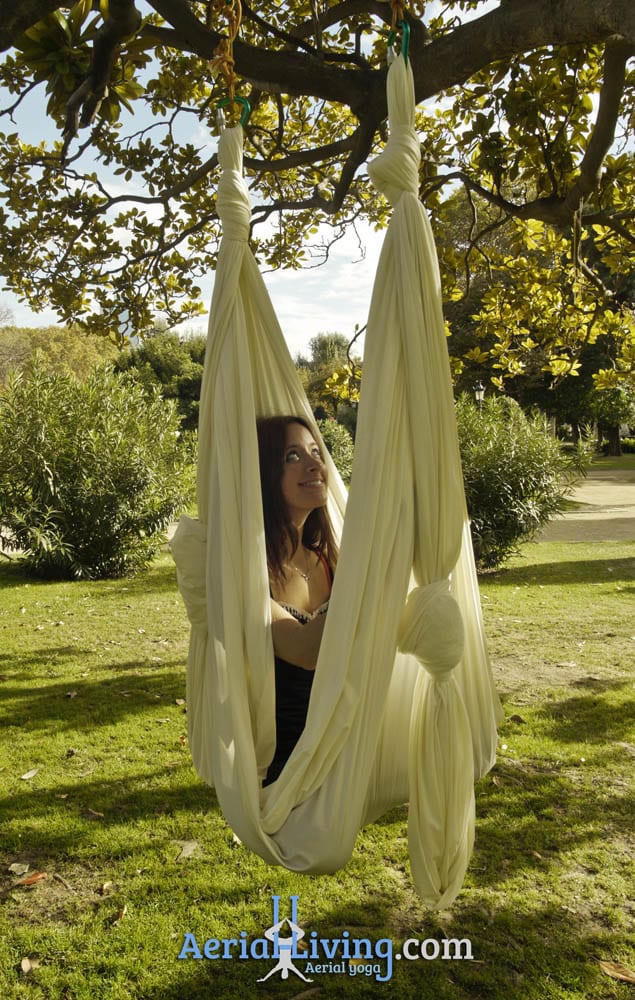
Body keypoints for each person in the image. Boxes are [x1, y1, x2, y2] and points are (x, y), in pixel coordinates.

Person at [256, 415, 338, 786]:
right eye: (292, 456)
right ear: (266, 475)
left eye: (315, 452)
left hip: (339, 753)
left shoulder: (328, 560)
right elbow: (305, 651)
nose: (314, 464)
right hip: (282, 766)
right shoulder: (251, 573)